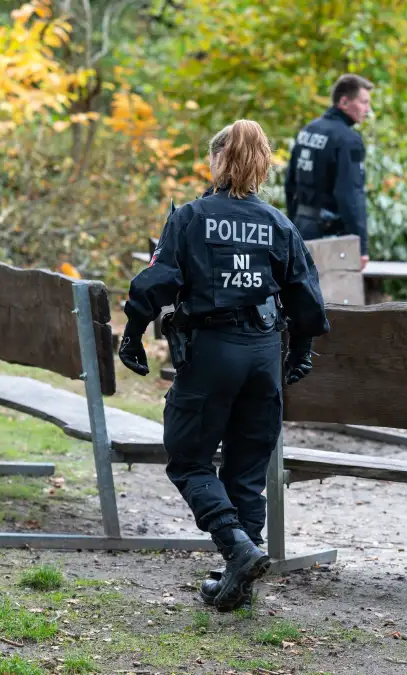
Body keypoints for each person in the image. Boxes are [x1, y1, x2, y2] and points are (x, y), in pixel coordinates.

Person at [118, 119, 330, 612]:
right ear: (263, 164)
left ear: (217, 161)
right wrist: (299, 352)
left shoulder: (191, 217)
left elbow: (158, 280)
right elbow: (306, 295)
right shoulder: (279, 224)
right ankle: (239, 576)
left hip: (213, 351)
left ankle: (235, 546)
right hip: (263, 354)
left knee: (189, 458)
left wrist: (131, 334)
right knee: (246, 469)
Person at [284, 73, 373, 269]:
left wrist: (292, 225)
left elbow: (290, 182)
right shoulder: (348, 140)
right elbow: (350, 195)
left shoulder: (309, 130)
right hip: (329, 237)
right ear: (344, 102)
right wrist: (361, 247)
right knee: (333, 296)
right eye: (364, 102)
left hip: (301, 226)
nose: (368, 109)